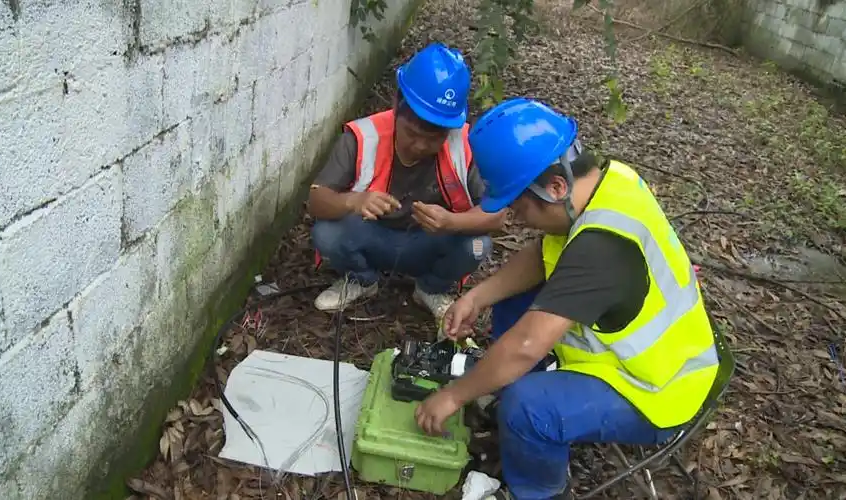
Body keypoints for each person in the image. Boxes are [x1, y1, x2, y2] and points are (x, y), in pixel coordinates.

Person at [414, 98, 720, 500]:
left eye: (520, 208)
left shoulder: (602, 247)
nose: (519, 220)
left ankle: (542, 490)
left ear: (555, 186)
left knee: (527, 408)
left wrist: (452, 395)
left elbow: (525, 346)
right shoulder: (604, 183)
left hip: (655, 389)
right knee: (515, 308)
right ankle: (513, 395)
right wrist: (477, 297)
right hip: (629, 354)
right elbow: (546, 254)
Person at [306, 42, 505, 323]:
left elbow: (497, 215)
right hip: (372, 237)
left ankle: (430, 289)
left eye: (434, 138)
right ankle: (363, 280)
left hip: (430, 243)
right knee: (327, 233)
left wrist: (451, 222)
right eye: (412, 133)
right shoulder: (363, 136)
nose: (421, 145)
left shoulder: (464, 145)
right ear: (397, 103)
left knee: (476, 245)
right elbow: (316, 201)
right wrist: (354, 201)